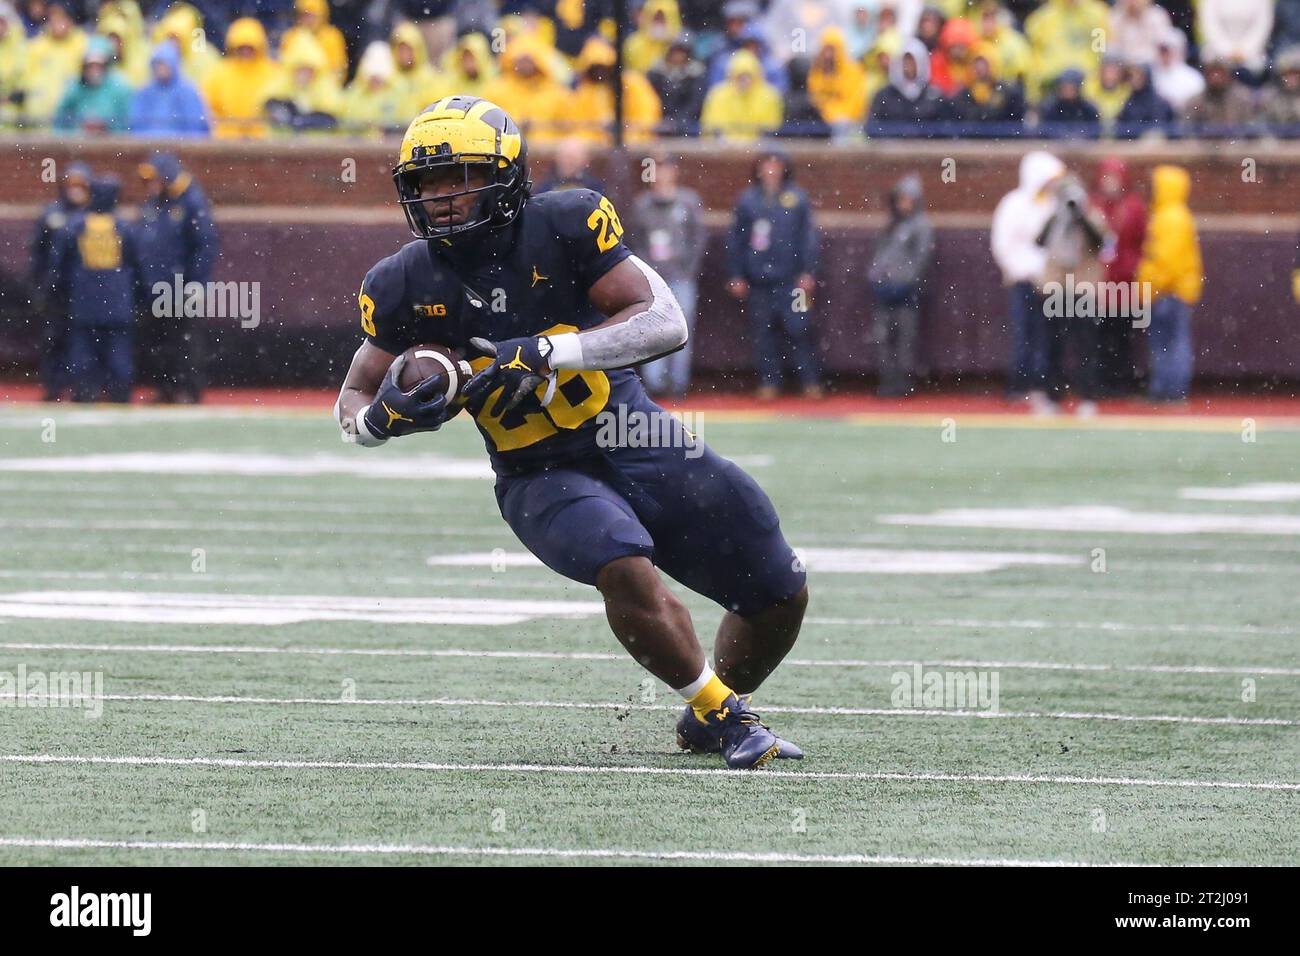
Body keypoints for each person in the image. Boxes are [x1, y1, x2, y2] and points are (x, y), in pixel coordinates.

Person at [334, 96, 808, 769]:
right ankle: (723, 715)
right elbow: (354, 395)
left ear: (506, 174)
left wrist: (549, 352)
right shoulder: (403, 282)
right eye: (427, 185)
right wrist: (377, 424)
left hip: (629, 427)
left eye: (459, 177)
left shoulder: (566, 222)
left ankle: (710, 712)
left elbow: (663, 322)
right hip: (537, 470)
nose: (441, 198)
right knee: (621, 561)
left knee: (779, 588)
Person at [725, 149, 822, 400]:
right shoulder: (747, 200)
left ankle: (809, 381)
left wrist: (808, 271)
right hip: (759, 280)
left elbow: (808, 238)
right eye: (766, 165)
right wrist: (736, 274)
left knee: (799, 328)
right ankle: (770, 382)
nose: (770, 170)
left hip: (793, 281)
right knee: (763, 332)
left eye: (776, 165)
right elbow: (736, 240)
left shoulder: (797, 198)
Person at [46, 175, 142, 404]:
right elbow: (137, 263)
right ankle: (120, 394)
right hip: (118, 299)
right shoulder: (123, 227)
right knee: (118, 352)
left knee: (83, 351)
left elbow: (59, 265)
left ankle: (84, 392)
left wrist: (57, 291)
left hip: (84, 299)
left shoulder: (76, 225)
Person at [134, 152, 218, 404]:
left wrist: (197, 283)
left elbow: (205, 245)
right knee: (159, 341)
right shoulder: (155, 204)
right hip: (156, 287)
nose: (151, 185)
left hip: (181, 287)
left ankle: (188, 390)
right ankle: (166, 388)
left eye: (156, 179)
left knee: (185, 342)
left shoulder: (192, 202)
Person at [991, 150, 1066, 414]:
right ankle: (1020, 385)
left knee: (1048, 337)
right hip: (1023, 281)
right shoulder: (1014, 204)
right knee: (1025, 334)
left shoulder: (1054, 204)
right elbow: (1003, 244)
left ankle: (1043, 386)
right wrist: (1020, 269)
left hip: (1050, 282)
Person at [627, 153, 705, 397]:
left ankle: (678, 383)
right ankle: (655, 383)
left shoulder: (689, 201)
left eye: (665, 168)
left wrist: (688, 269)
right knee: (651, 329)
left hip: (681, 278)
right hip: (651, 280)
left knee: (681, 328)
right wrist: (644, 272)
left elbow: (698, 238)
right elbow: (635, 240)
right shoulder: (642, 204)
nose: (661, 174)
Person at [1137, 165, 1201, 403]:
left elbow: (1166, 260)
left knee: (1168, 343)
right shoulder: (1173, 215)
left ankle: (1169, 389)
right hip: (1173, 290)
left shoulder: (1170, 218)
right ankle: (1168, 388)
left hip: (1168, 291)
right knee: (1170, 342)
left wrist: (1152, 284)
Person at [30, 161, 91, 401]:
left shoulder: (95, 215)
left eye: (80, 184)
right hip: (57, 288)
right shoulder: (52, 213)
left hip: (85, 290)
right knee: (53, 338)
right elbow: (39, 251)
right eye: (70, 184)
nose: (75, 189)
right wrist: (40, 283)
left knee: (84, 341)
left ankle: (82, 387)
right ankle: (54, 386)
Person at [868, 174, 933, 397]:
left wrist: (905, 282)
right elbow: (879, 256)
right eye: (900, 199)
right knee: (883, 338)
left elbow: (921, 260)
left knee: (905, 339)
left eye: (907, 199)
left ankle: (904, 383)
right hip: (885, 291)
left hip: (906, 293)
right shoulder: (892, 226)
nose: (903, 204)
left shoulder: (921, 226)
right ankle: (887, 381)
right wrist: (876, 277)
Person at [1090, 156, 1146, 397]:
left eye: (1114, 177)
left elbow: (1141, 241)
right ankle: (1102, 383)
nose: (1110, 183)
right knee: (1099, 339)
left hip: (1125, 284)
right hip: (1100, 284)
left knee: (1123, 338)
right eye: (1106, 177)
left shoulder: (1133, 206)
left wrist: (1130, 268)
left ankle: (1123, 383)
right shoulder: (1093, 205)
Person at [202, 17, 282, 138]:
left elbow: (279, 105)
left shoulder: (273, 72)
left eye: (250, 48)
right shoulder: (219, 72)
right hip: (226, 141)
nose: (245, 52)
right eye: (241, 47)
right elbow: (207, 106)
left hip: (263, 141)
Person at [865, 37, 947, 137]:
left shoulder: (934, 96)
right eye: (905, 60)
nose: (908, 65)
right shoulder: (884, 96)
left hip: (926, 150)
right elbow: (873, 128)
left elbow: (944, 131)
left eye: (913, 60)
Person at [128, 38, 209, 136]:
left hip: (182, 148)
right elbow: (136, 125)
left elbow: (196, 127)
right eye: (157, 64)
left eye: (164, 64)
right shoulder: (144, 93)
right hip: (147, 148)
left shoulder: (189, 92)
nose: (161, 69)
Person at [700, 48, 783, 140]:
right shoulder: (717, 95)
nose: (744, 80)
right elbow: (711, 129)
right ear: (732, 75)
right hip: (724, 151)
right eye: (740, 76)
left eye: (748, 75)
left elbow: (770, 129)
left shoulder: (769, 96)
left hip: (759, 151)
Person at [53, 36, 131, 134]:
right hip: (78, 145)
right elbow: (59, 124)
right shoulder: (74, 88)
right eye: (90, 66)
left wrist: (107, 127)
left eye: (99, 65)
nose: (94, 71)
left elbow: (128, 126)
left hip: (112, 145)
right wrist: (79, 131)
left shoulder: (121, 89)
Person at [647, 34, 707, 135]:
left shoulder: (695, 74)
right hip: (660, 120)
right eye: (674, 51)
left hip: (688, 122)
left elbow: (695, 102)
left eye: (681, 52)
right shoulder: (656, 73)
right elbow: (651, 99)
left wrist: (680, 120)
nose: (677, 56)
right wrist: (664, 118)